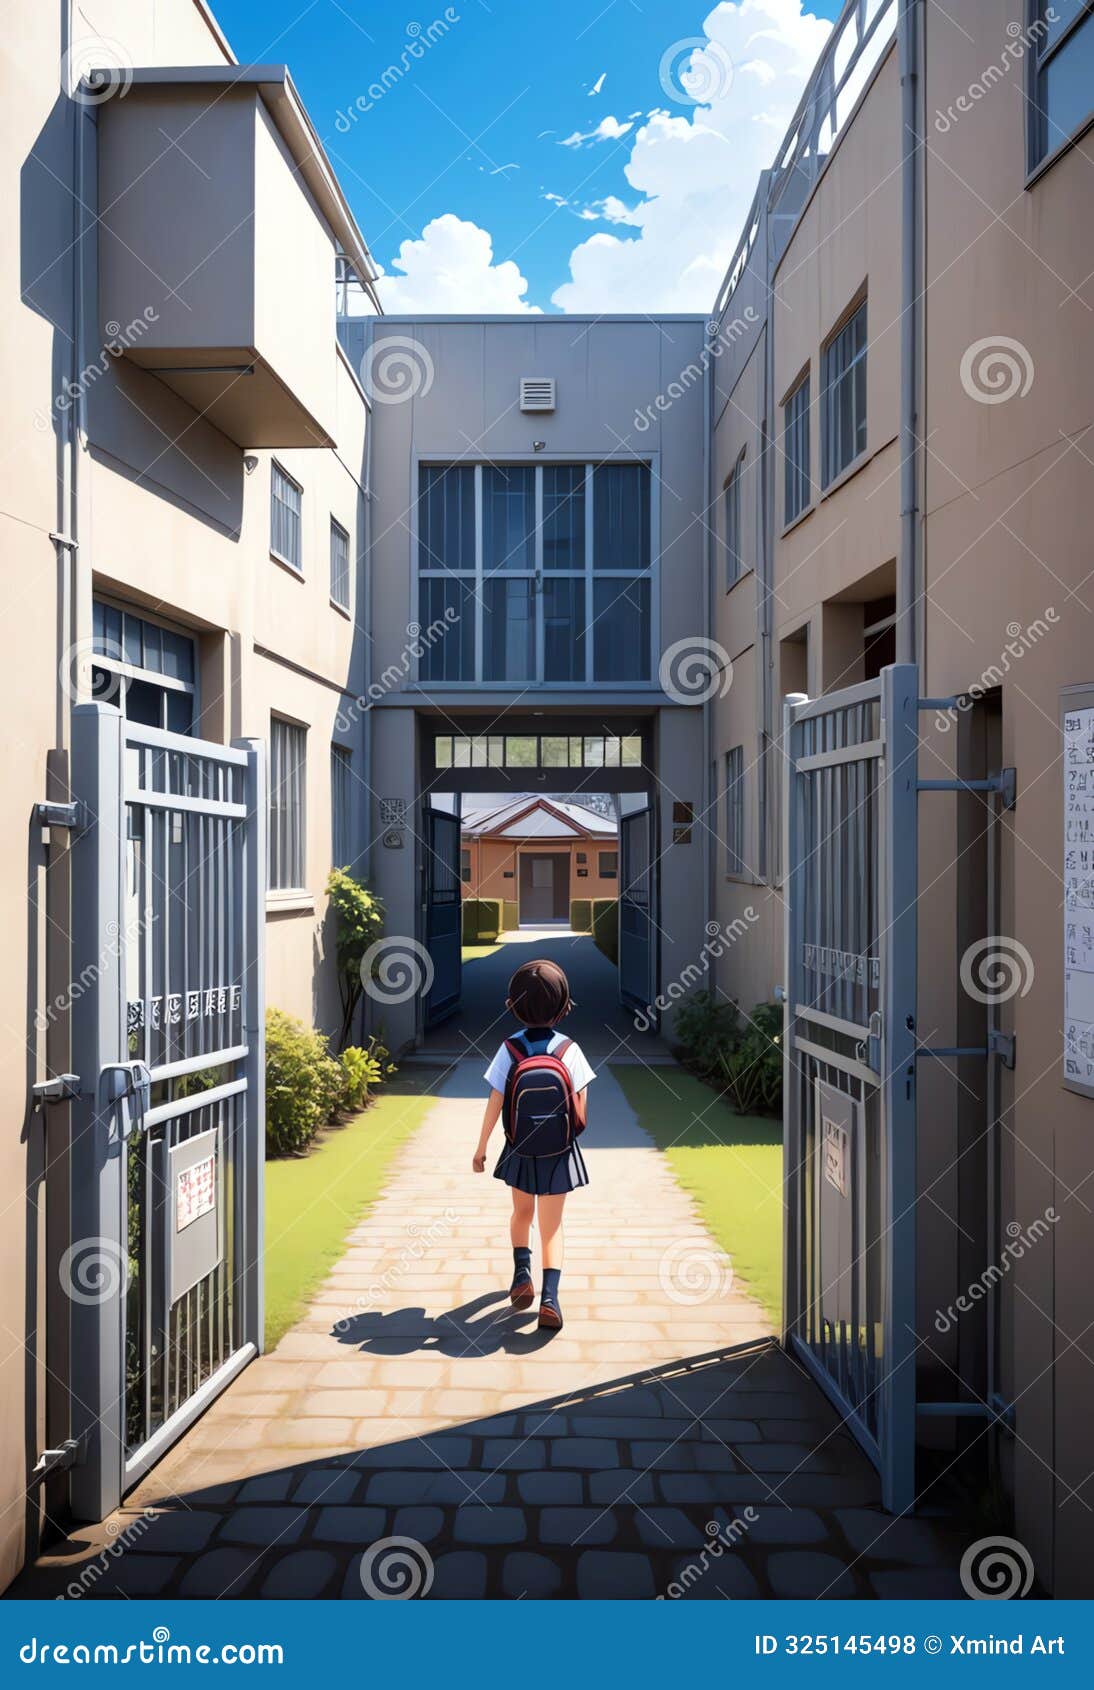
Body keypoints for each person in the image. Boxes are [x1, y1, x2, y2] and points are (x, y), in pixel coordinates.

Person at [472, 957, 595, 1331]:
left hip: (519, 1149)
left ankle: (521, 1274)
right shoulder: (569, 1049)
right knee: (552, 1227)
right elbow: (580, 1111)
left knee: (521, 1214)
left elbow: (495, 1102)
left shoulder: (509, 1049)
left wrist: (481, 1148)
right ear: (563, 1006)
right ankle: (550, 1299)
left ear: (513, 1005)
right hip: (559, 1153)